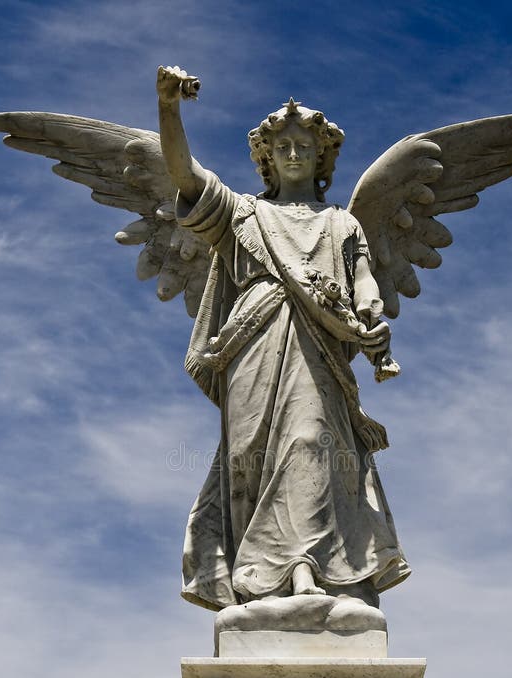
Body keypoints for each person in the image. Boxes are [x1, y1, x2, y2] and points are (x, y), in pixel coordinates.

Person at [157, 66, 410, 618]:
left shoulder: (343, 225)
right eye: (282, 146)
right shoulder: (244, 215)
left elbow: (363, 280)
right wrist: (169, 109)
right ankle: (255, 580)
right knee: (250, 460)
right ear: (266, 158)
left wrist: (370, 315)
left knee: (310, 444)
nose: (294, 153)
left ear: (322, 158)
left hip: (317, 352)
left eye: (304, 146)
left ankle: (306, 569)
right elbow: (185, 176)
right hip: (252, 348)